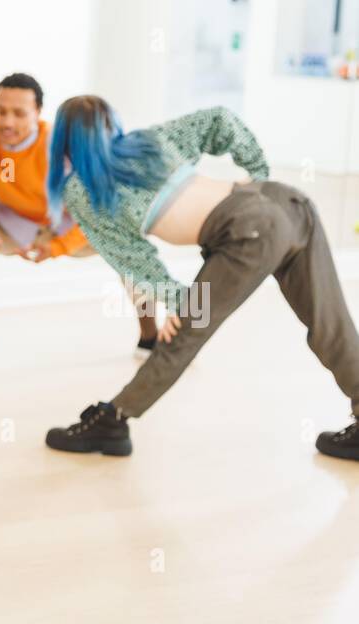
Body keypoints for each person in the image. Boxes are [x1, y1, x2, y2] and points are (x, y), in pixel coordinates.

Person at [42, 97, 359, 461]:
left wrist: (179, 300)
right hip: (287, 202)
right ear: (113, 124)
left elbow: (128, 256)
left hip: (247, 229)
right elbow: (219, 120)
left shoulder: (82, 189)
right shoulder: (150, 141)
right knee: (329, 322)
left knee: (182, 335)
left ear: (64, 139)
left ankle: (112, 422)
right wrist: (257, 172)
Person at [0, 74, 156, 354]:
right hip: (13, 222)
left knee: (128, 237)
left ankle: (152, 338)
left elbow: (97, 210)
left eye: (19, 113)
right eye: (1, 111)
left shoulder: (63, 143)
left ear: (38, 113)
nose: (7, 122)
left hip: (75, 225)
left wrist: (58, 246)